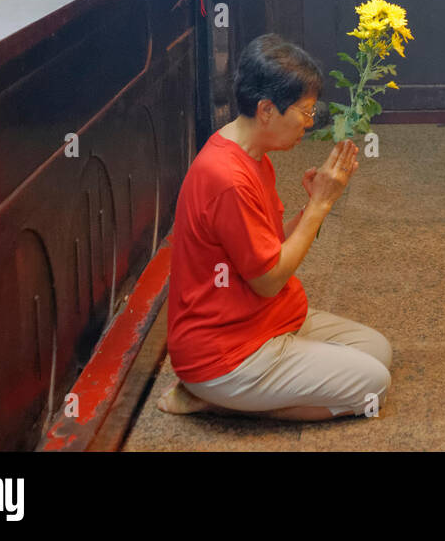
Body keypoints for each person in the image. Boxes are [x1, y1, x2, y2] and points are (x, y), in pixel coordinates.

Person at [158, 33, 392, 420]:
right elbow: (268, 279)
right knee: (372, 387)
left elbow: (266, 246)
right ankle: (218, 400)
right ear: (267, 110)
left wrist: (312, 204)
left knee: (377, 350)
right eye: (305, 111)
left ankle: (240, 395)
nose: (310, 122)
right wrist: (321, 203)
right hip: (224, 349)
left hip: (264, 321)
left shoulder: (252, 155)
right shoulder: (227, 177)